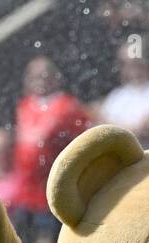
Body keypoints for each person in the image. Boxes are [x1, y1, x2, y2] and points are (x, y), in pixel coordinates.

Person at [9, 56, 92, 226]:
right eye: (34, 76)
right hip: (25, 191)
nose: (40, 81)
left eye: (44, 75)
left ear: (55, 78)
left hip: (53, 187)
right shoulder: (24, 106)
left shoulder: (66, 105)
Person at [98, 42, 149, 147]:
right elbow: (98, 128)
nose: (130, 68)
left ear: (147, 61)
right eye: (124, 63)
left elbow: (144, 130)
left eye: (134, 63)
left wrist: (111, 129)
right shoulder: (117, 95)